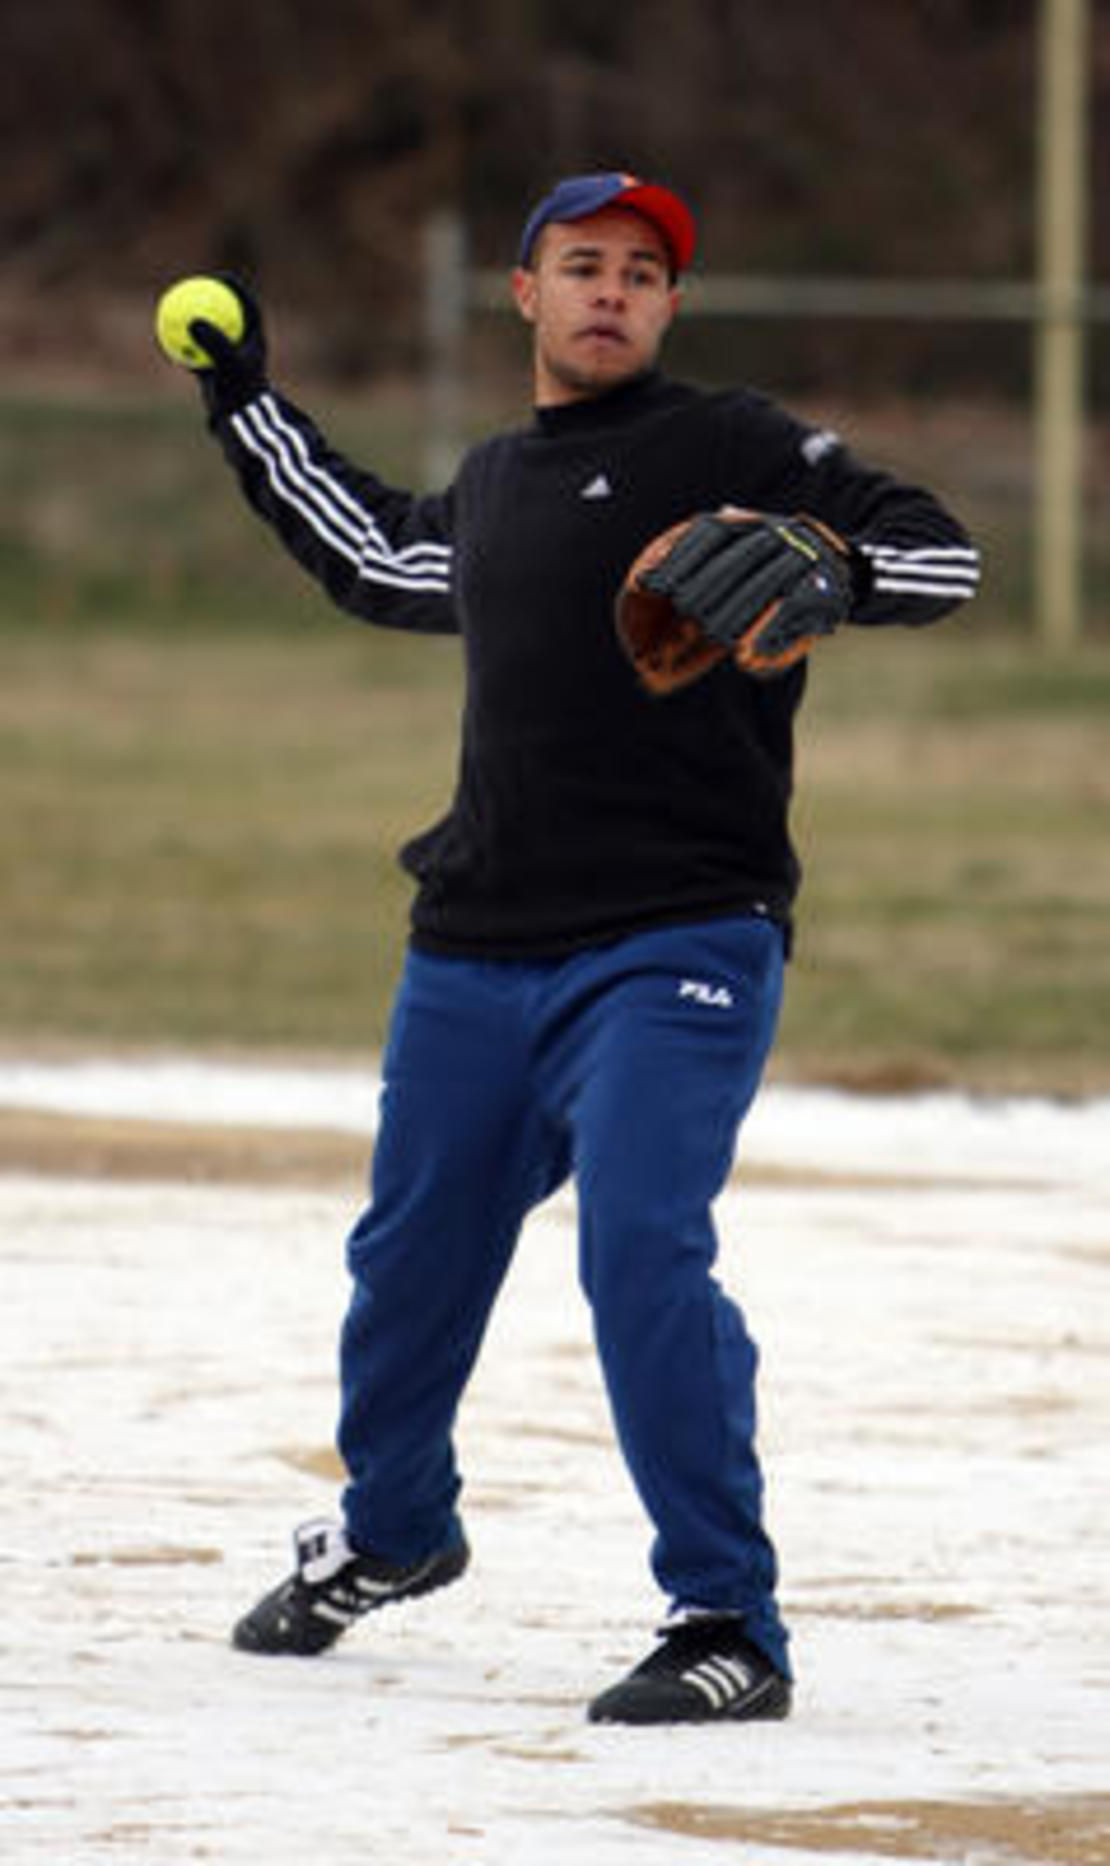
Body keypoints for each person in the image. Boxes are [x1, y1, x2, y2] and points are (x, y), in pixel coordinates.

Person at [177, 171, 980, 1724]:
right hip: (472, 944)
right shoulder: (489, 485)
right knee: (405, 1272)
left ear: (670, 306)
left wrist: (838, 563)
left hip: (680, 934)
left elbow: (940, 552)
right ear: (522, 297)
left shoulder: (731, 443)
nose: (610, 289)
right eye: (578, 265)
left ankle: (723, 1617)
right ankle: (395, 1532)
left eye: (641, 270)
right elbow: (380, 558)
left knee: (639, 1247)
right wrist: (242, 402)